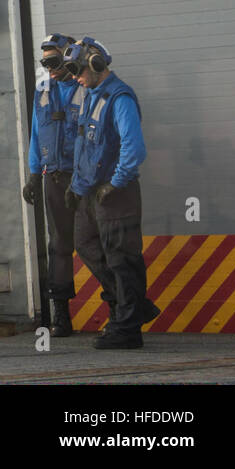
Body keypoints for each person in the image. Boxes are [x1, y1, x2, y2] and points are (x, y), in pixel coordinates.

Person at [63, 37, 159, 349]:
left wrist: (116, 183)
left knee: (122, 259)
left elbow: (133, 148)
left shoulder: (120, 97)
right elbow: (87, 147)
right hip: (91, 193)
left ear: (96, 64)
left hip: (116, 192)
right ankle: (131, 309)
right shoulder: (90, 95)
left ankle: (128, 329)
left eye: (78, 69)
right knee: (87, 246)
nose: (75, 76)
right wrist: (76, 188)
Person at [22, 33, 86, 337]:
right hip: (54, 177)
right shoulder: (43, 90)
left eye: (54, 59)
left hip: (84, 179)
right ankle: (61, 316)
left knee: (93, 244)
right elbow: (37, 134)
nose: (49, 67)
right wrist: (35, 174)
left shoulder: (88, 86)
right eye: (44, 61)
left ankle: (121, 308)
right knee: (59, 247)